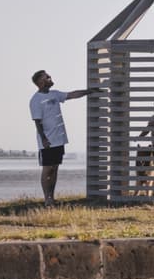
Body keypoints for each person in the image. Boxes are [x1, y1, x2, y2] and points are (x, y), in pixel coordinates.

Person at [29, 69, 101, 205]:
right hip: (47, 141)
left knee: (55, 168)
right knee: (47, 168)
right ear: (40, 81)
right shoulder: (35, 100)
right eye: (47, 77)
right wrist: (44, 139)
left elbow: (72, 95)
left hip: (59, 139)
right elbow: (37, 122)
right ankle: (46, 198)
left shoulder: (55, 94)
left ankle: (52, 196)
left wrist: (89, 91)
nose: (50, 78)